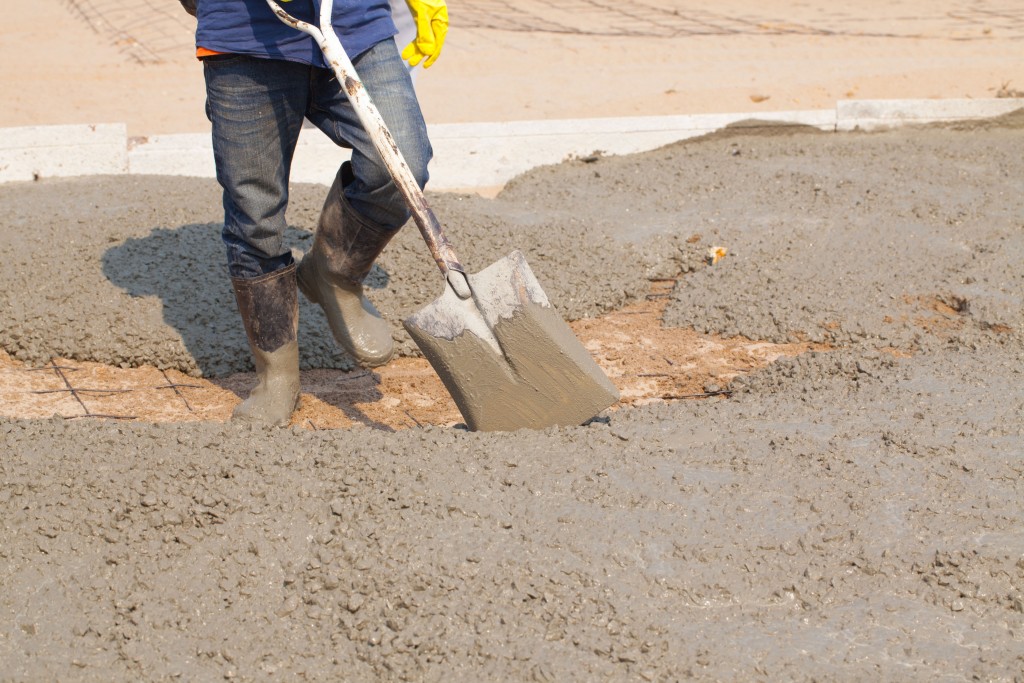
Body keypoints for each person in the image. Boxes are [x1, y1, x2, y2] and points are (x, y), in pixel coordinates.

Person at [177, 0, 448, 427]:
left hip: (353, 24)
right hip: (244, 39)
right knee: (255, 215)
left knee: (400, 165)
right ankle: (277, 373)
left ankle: (334, 273)